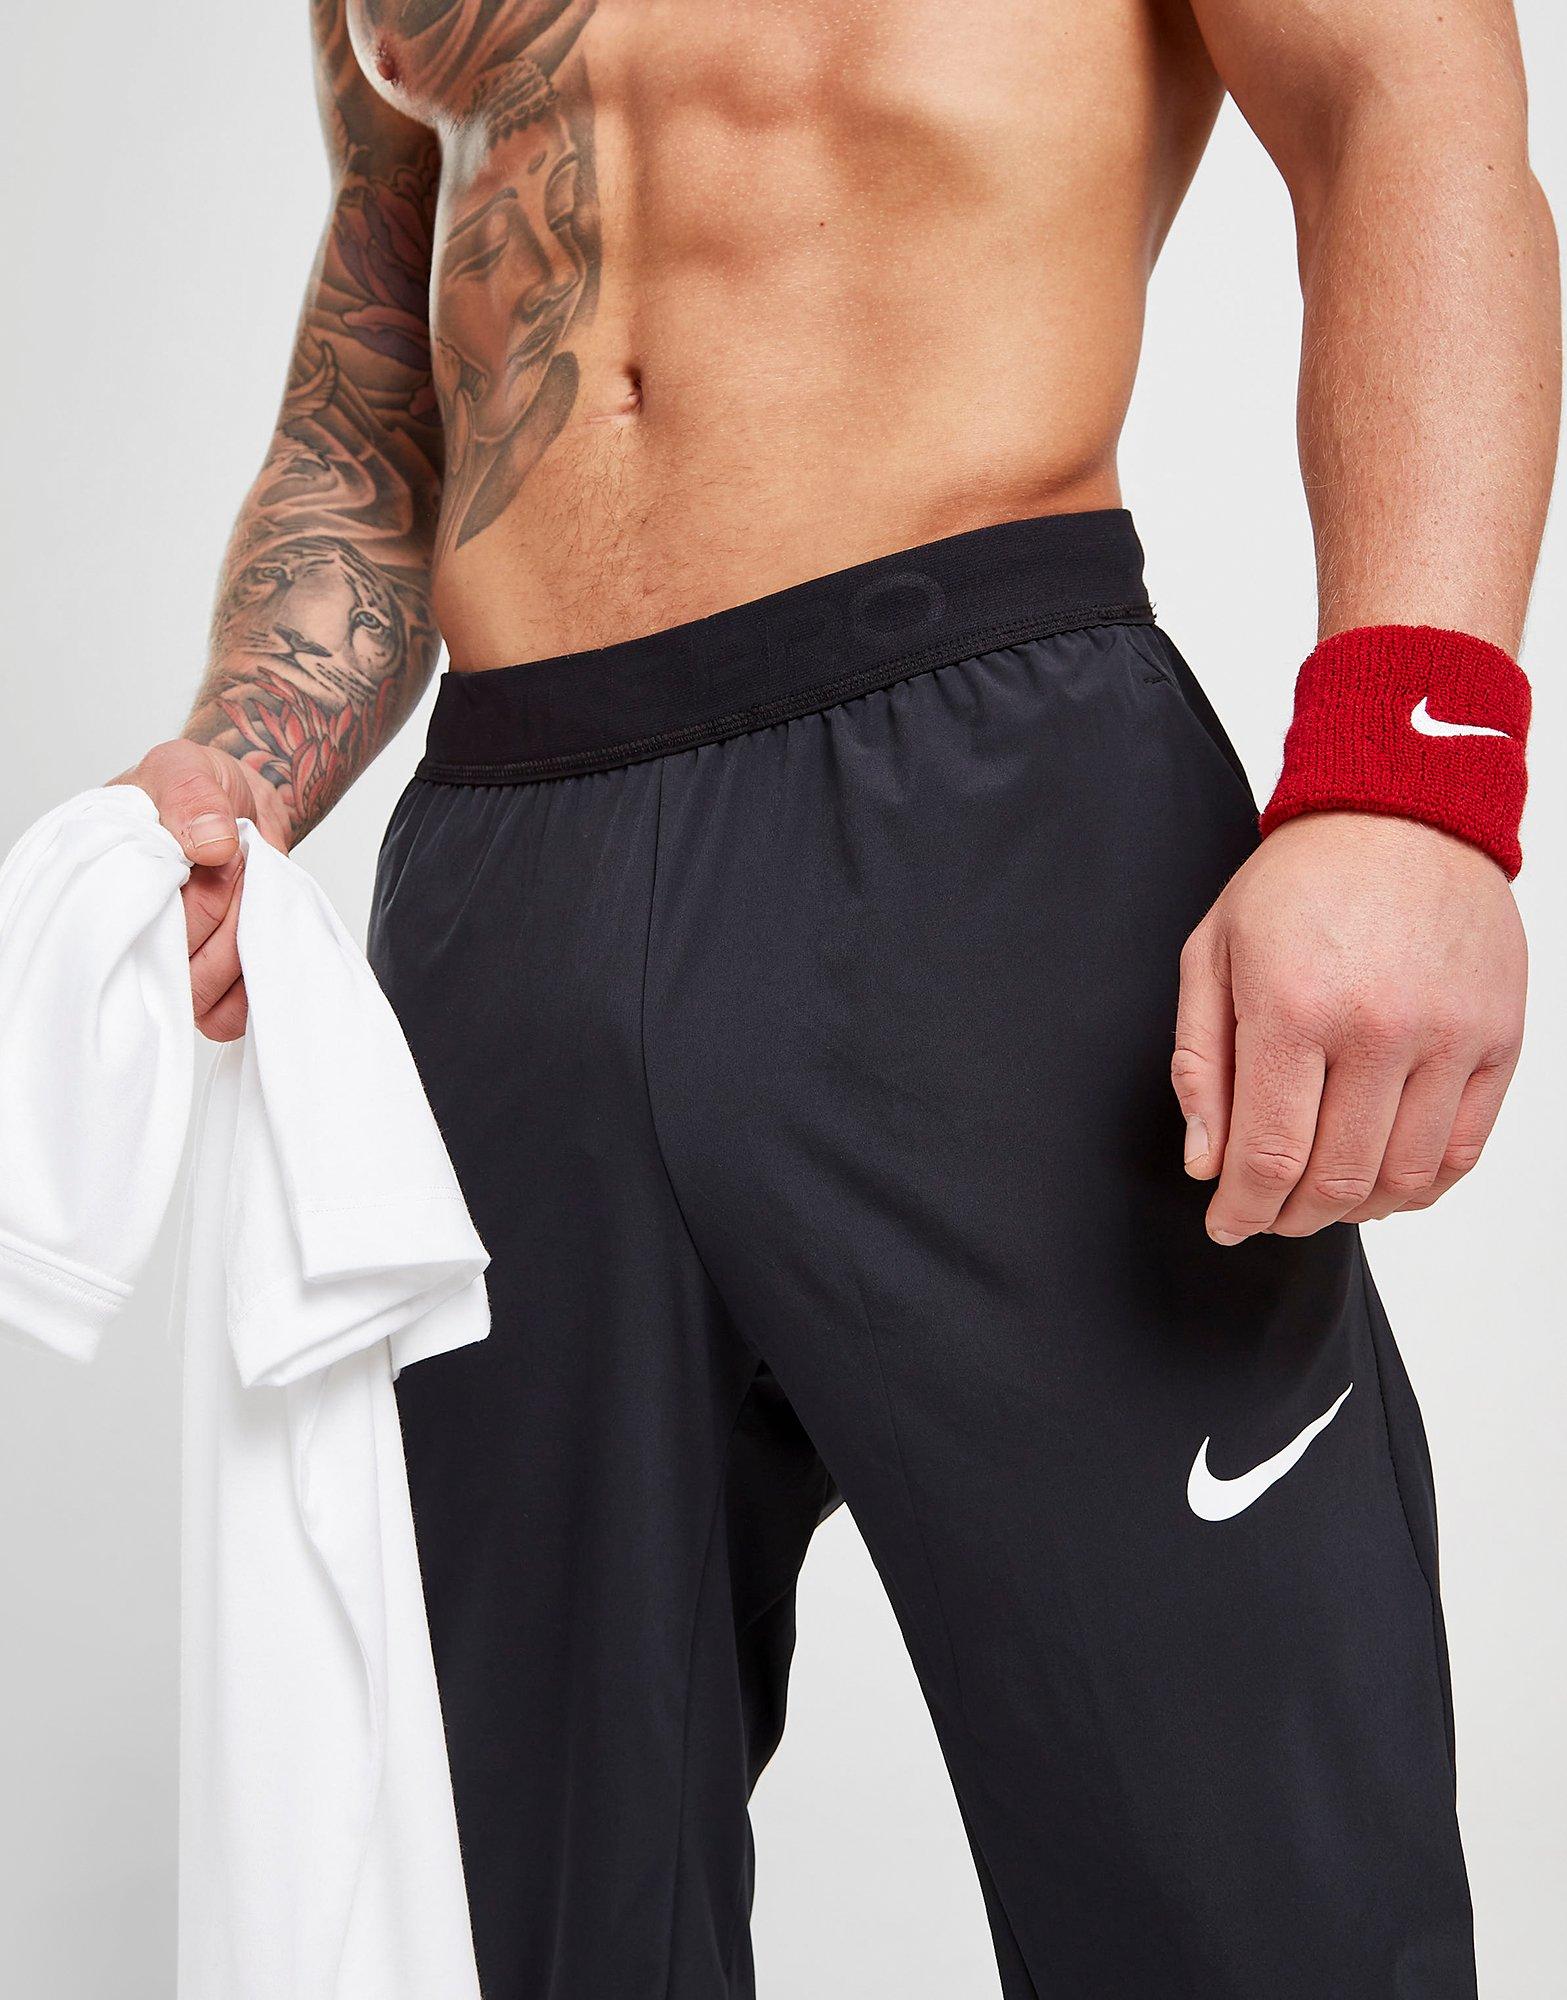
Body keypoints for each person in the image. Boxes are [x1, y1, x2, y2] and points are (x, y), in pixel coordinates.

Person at [114, 1, 1558, 1993]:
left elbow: (1403, 98)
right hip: (497, 890)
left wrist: (1411, 777)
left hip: (984, 815)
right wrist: (241, 768)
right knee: (516, 1909)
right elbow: (387, 375)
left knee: (1245, 1900)